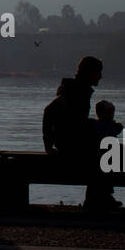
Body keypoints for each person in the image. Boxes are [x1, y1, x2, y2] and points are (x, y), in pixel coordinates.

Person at [42, 56, 106, 211]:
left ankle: (98, 198)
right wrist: (48, 145)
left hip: (73, 142)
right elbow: (50, 110)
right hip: (72, 144)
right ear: (89, 72)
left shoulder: (78, 89)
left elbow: (73, 118)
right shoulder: (76, 90)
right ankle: (96, 200)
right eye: (98, 72)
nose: (100, 76)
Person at [91, 99, 123, 210]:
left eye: (112, 113)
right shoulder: (99, 125)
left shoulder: (104, 125)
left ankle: (104, 198)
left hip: (106, 160)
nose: (111, 115)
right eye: (108, 113)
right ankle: (105, 198)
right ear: (100, 113)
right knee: (104, 172)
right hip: (102, 160)